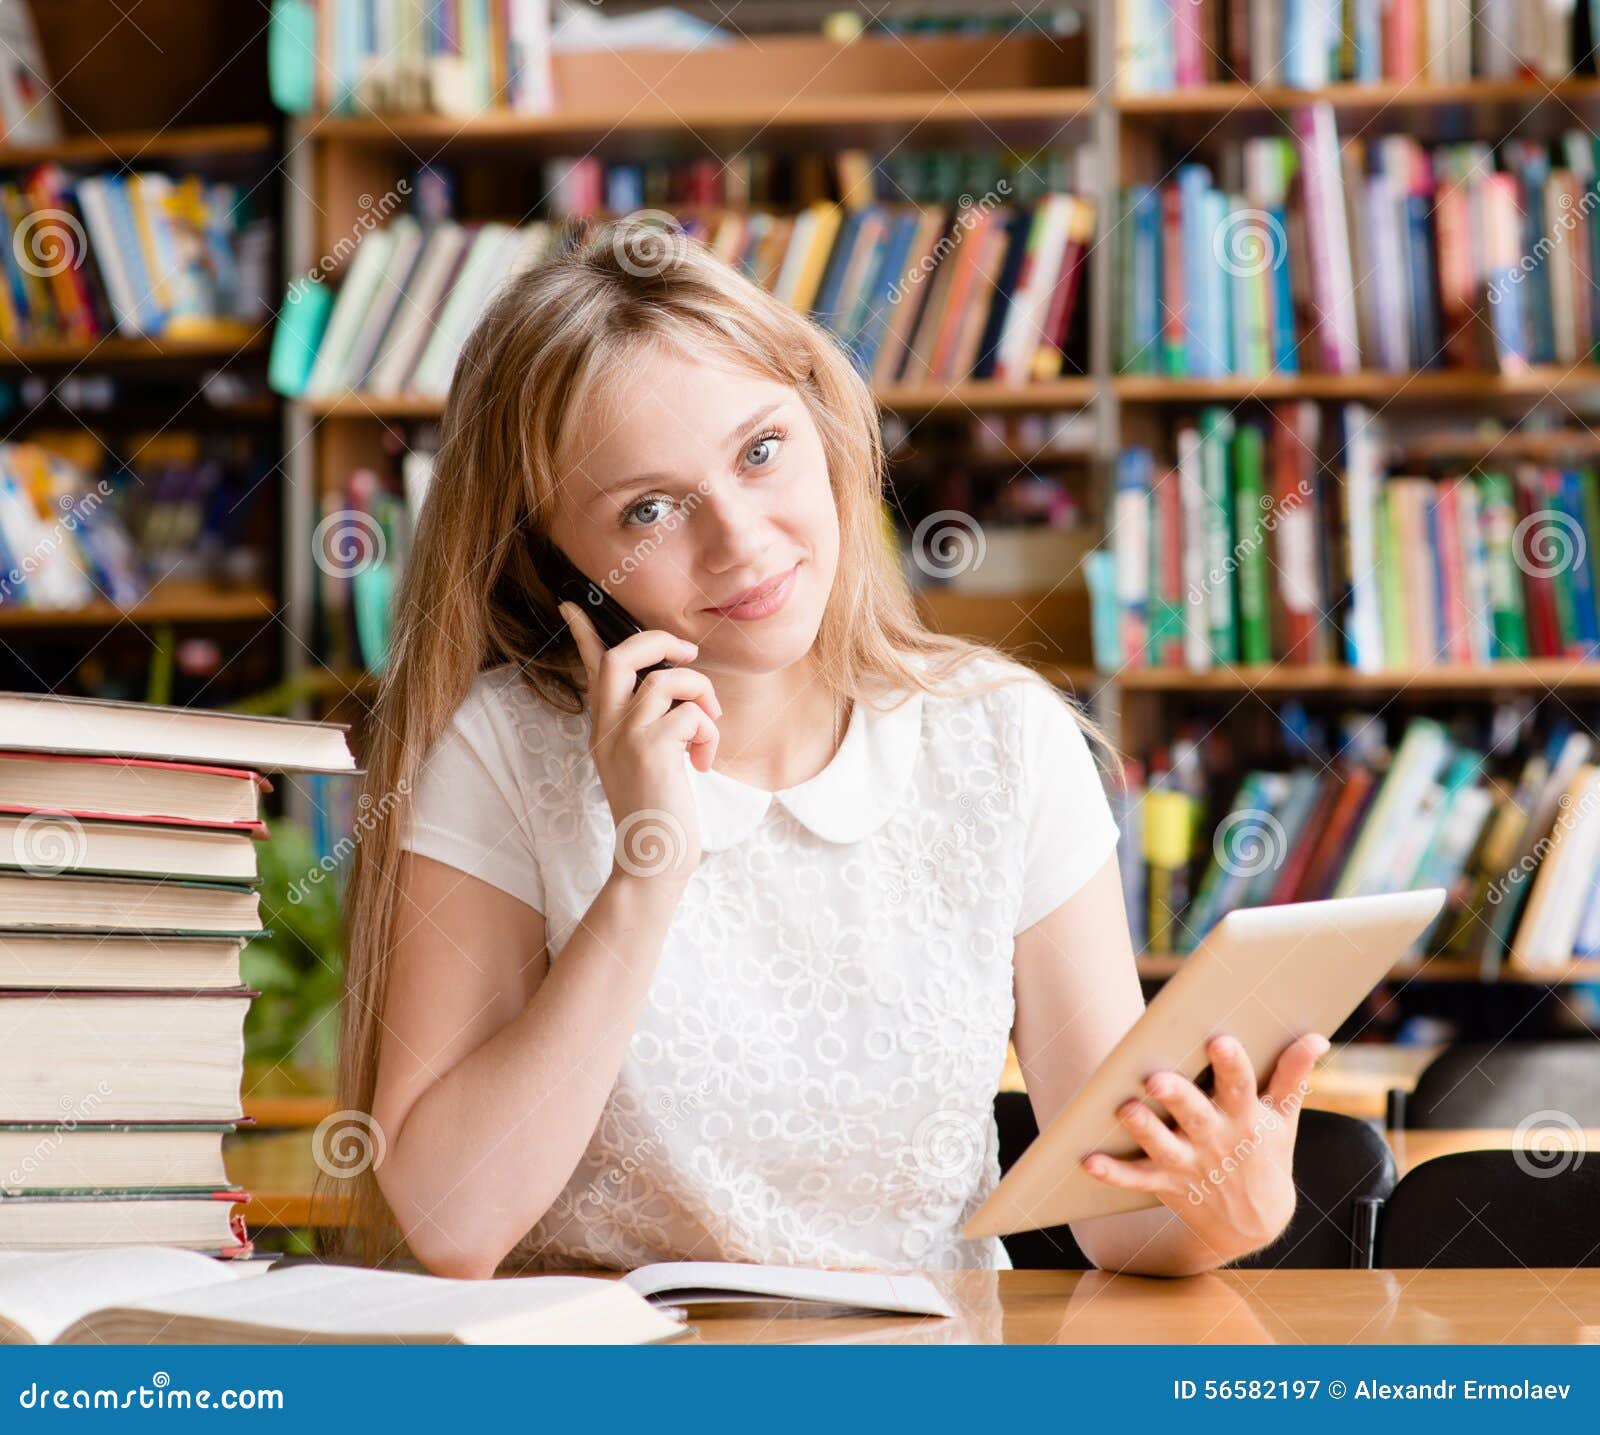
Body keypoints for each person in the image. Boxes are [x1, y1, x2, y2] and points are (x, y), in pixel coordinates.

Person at [334, 217, 1326, 1279]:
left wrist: (1238, 1201)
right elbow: (452, 1223)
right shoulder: (503, 750)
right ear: (558, 557)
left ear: (825, 421)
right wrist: (646, 862)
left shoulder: (1002, 738)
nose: (742, 541)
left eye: (761, 451)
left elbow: (1122, 1216)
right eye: (650, 510)